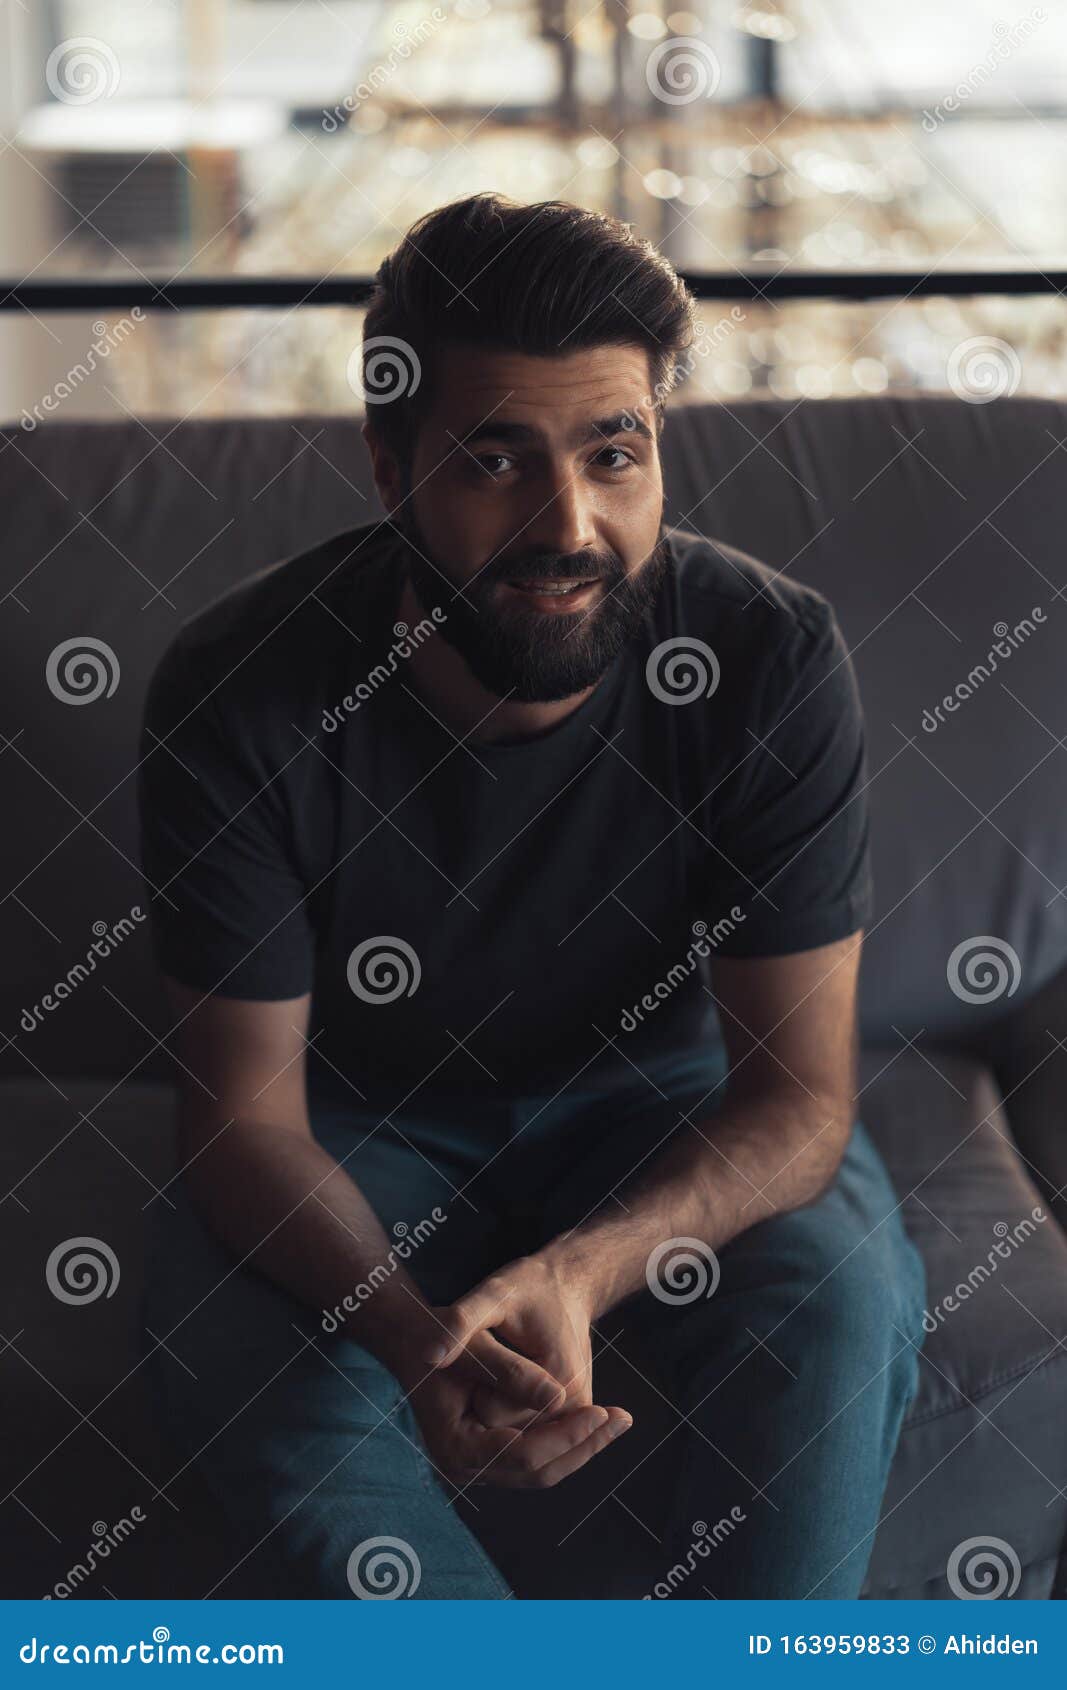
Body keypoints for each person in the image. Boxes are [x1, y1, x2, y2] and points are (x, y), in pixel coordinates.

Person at [136, 191, 926, 1600]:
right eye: (497, 460)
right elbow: (242, 1119)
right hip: (354, 1125)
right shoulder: (239, 687)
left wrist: (585, 1271)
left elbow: (799, 1100)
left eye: (615, 453)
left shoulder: (767, 656)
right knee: (251, 1360)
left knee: (840, 1303)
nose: (572, 522)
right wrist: (412, 1334)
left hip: (661, 1102)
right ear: (392, 470)